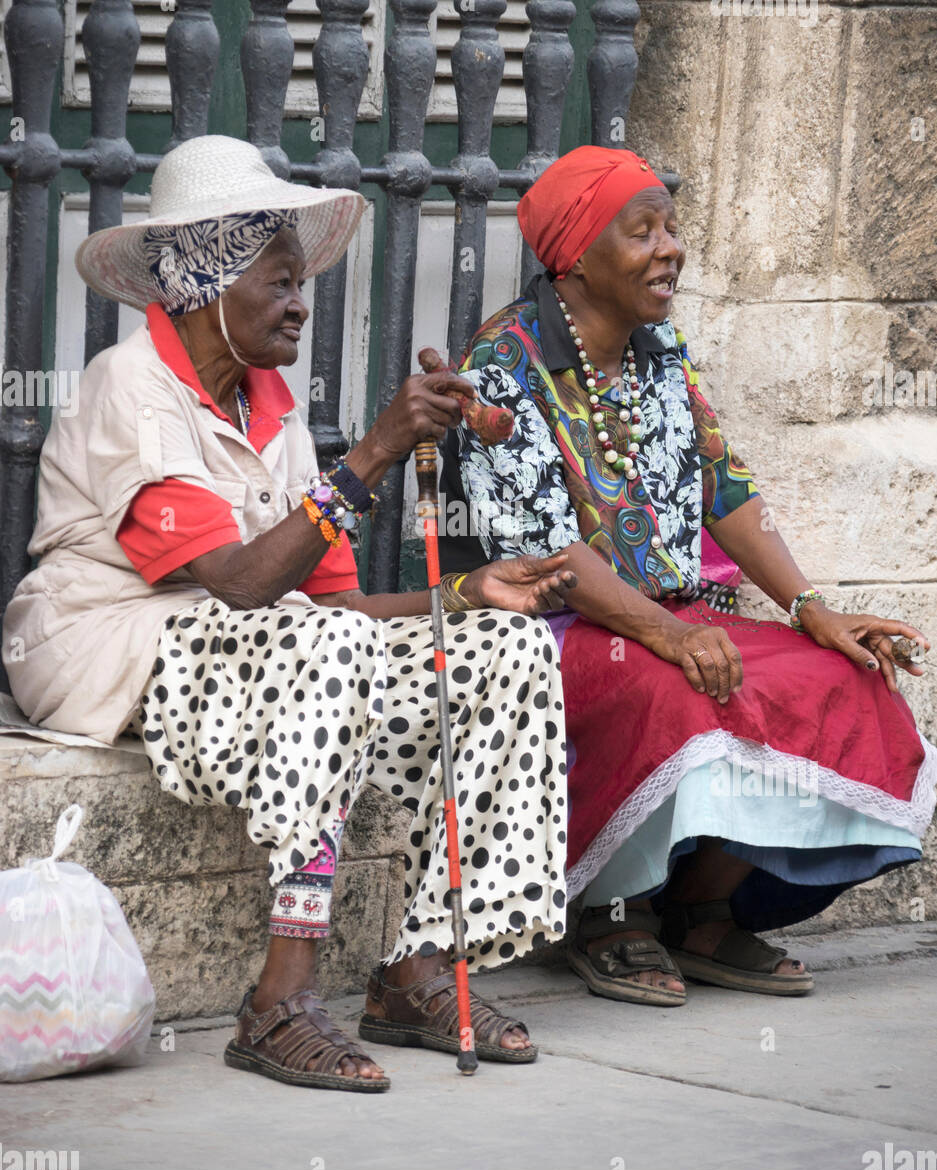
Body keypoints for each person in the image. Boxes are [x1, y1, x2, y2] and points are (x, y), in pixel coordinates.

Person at [2, 134, 578, 1091]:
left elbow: (339, 603)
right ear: (202, 282)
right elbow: (236, 583)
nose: (300, 302)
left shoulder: (267, 401)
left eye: (298, 281)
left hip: (259, 644)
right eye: (276, 282)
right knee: (319, 644)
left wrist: (465, 596)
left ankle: (418, 966)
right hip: (107, 642)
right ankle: (281, 996)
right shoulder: (131, 391)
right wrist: (372, 454)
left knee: (506, 650)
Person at [440, 145, 936, 1005]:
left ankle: (702, 913)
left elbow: (725, 484)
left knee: (840, 680)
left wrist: (814, 611)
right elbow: (553, 559)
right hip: (554, 625)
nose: (670, 248)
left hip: (667, 612)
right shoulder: (502, 364)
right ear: (576, 258)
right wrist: (669, 635)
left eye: (671, 227)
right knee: (672, 694)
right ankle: (608, 913)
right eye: (643, 231)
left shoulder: (658, 348)